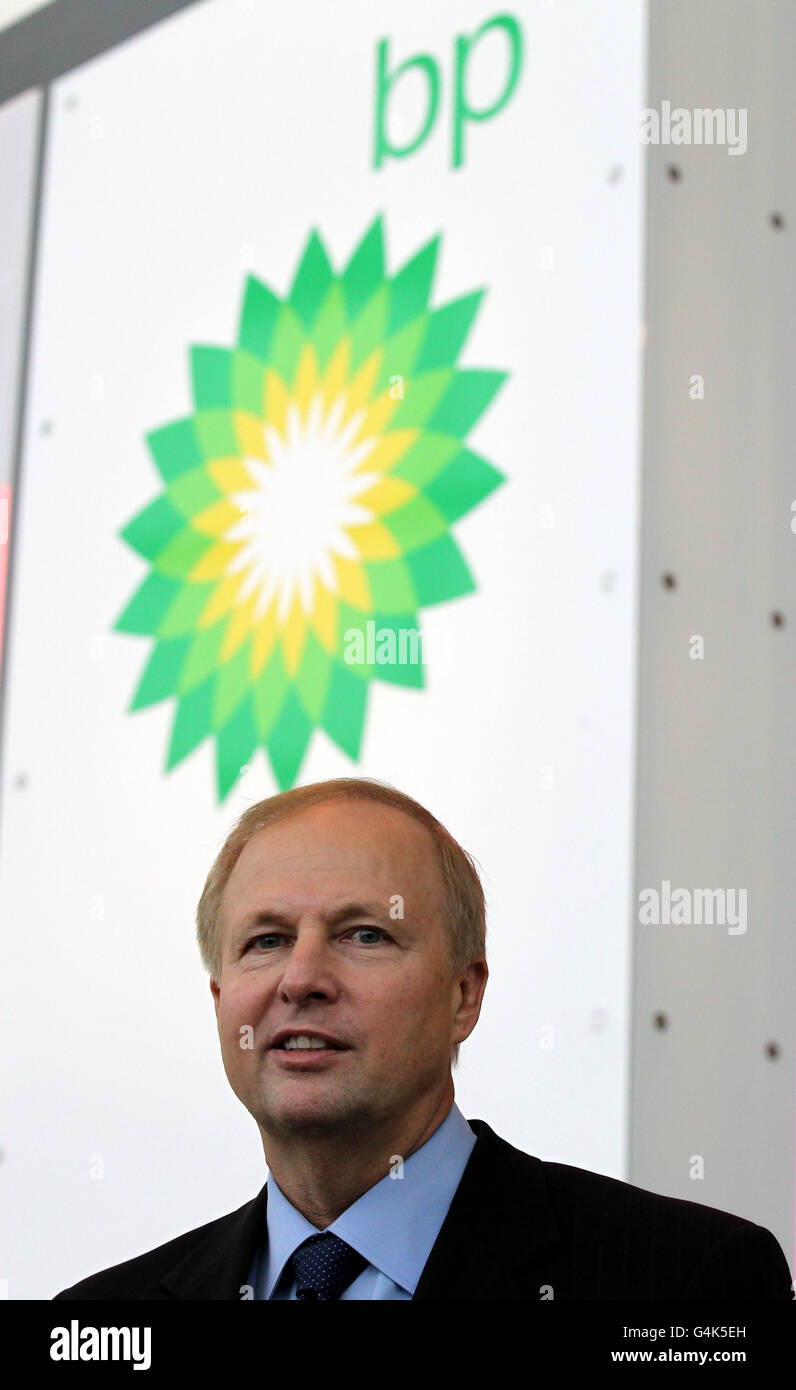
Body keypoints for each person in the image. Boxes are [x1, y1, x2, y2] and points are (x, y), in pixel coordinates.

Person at [53, 778, 794, 1300]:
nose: (301, 978)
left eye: (364, 934)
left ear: (463, 996)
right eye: (267, 941)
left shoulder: (683, 1281)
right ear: (221, 1001)